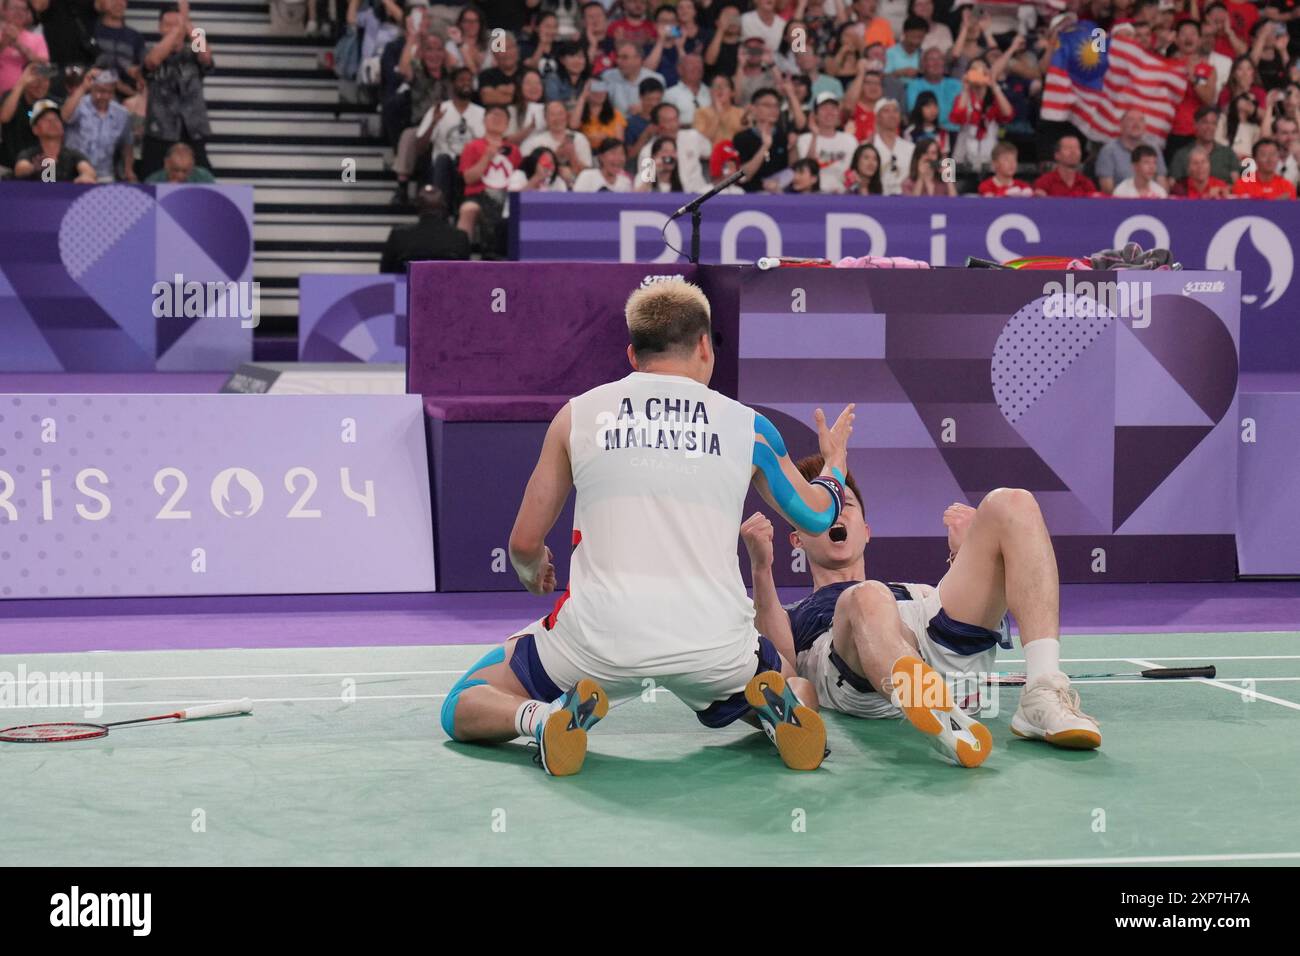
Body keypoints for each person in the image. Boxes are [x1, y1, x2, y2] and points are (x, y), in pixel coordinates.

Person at [441, 279, 858, 776]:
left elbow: (523, 544)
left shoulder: (577, 416)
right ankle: (774, 713)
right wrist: (833, 466)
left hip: (597, 642)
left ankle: (540, 718)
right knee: (794, 684)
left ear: (632, 354)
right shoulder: (749, 428)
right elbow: (817, 516)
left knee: (462, 701)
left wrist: (533, 572)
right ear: (704, 345)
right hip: (717, 645)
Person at [740, 457, 1102, 770]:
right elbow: (781, 667)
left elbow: (979, 606)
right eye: (823, 511)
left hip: (929, 628)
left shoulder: (914, 590)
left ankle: (1041, 692)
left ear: (867, 532)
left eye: (846, 505)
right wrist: (761, 568)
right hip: (859, 671)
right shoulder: (794, 612)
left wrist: (969, 550)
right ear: (797, 538)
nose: (839, 514)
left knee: (1011, 504)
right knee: (866, 597)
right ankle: (932, 706)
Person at [141, 2, 214, 179]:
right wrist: (177, 29)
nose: (174, 29)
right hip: (160, 131)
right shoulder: (151, 51)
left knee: (204, 180)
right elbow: (152, 62)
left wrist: (187, 23)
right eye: (168, 25)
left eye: (178, 24)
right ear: (159, 28)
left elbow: (206, 56)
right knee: (151, 181)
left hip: (192, 130)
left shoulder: (193, 54)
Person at [60, 67, 134, 181]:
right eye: (100, 91)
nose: (104, 96)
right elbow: (65, 116)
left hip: (104, 174)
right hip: (74, 172)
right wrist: (83, 87)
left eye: (109, 92)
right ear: (92, 88)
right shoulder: (79, 103)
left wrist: (128, 169)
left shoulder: (122, 114)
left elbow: (127, 144)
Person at [378, 186, 471, 273]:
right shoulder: (459, 237)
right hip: (448, 289)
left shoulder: (398, 236)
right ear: (444, 206)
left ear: (417, 206)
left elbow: (385, 272)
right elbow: (465, 274)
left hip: (406, 289)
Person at [13, 98, 96, 181]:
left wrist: (86, 176)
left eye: (56, 119)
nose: (52, 122)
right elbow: (20, 169)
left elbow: (87, 170)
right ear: (35, 129)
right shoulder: (29, 154)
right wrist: (33, 167)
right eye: (45, 119)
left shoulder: (73, 155)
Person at [733, 85, 794, 192]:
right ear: (753, 108)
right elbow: (743, 176)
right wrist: (765, 146)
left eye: (776, 106)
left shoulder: (783, 136)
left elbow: (793, 169)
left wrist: (794, 147)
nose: (773, 110)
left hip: (780, 193)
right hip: (750, 195)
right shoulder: (741, 138)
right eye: (767, 105)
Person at [1096, 110, 1169, 194]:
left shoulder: (1154, 148)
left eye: (1141, 120)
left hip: (1152, 201)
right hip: (1120, 202)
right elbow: (1107, 190)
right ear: (1121, 125)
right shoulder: (1108, 150)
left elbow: (1162, 182)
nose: (1136, 124)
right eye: (1131, 120)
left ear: (1145, 126)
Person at [796, 91, 857, 193]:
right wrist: (815, 135)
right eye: (824, 109)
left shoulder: (850, 140)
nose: (829, 113)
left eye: (833, 109)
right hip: (814, 195)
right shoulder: (805, 139)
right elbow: (808, 169)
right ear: (815, 115)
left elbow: (855, 171)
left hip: (843, 195)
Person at [1169, 105, 1240, 183]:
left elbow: (1236, 186)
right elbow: (1173, 186)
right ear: (1195, 125)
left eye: (1213, 123)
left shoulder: (1228, 153)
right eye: (1205, 122)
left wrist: (1222, 190)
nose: (1209, 127)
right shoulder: (1181, 155)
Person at [0, 0, 49, 95]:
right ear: (4, 10)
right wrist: (5, 41)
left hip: (24, 99)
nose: (19, 12)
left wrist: (19, 46)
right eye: (14, 8)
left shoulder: (38, 39)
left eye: (23, 9)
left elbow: (45, 68)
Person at [1033, 133, 1099, 197]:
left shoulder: (1087, 184)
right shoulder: (1044, 182)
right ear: (1057, 155)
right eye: (1068, 148)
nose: (1073, 152)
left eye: (1077, 148)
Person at [871, 97, 914, 195]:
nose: (892, 115)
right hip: (877, 199)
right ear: (877, 117)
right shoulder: (869, 146)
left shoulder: (910, 148)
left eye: (895, 111)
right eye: (886, 111)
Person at [1232, 137, 1298, 198]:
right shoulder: (1242, 185)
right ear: (1255, 158)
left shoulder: (1286, 186)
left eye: (1273, 154)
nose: (1270, 159)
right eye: (1264, 155)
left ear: (1278, 157)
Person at [143, 140, 214, 182]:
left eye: (185, 171)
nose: (180, 175)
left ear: (192, 165)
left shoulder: (204, 178)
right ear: (166, 164)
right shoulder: (153, 181)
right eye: (175, 170)